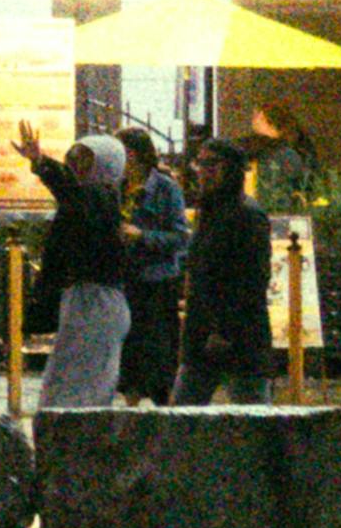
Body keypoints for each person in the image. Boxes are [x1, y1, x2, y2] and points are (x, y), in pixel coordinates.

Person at [19, 126, 132, 406]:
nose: (77, 167)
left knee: (85, 386)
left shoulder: (99, 198)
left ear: (104, 165)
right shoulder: (93, 199)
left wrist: (42, 163)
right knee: (70, 381)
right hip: (85, 299)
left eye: (85, 160)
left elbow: (69, 191)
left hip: (97, 303)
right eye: (75, 159)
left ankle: (77, 432)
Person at [173, 135, 277, 403]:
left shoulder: (247, 215)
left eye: (212, 165)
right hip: (202, 332)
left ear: (231, 168)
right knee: (182, 413)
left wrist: (224, 331)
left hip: (238, 337)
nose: (202, 172)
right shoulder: (209, 211)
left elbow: (252, 281)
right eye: (200, 164)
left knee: (252, 414)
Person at [117, 121, 191, 405]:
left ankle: (163, 409)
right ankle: (131, 407)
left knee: (159, 352)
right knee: (129, 352)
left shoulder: (165, 188)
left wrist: (142, 236)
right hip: (126, 280)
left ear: (132, 155)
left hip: (157, 282)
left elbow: (180, 237)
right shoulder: (117, 187)